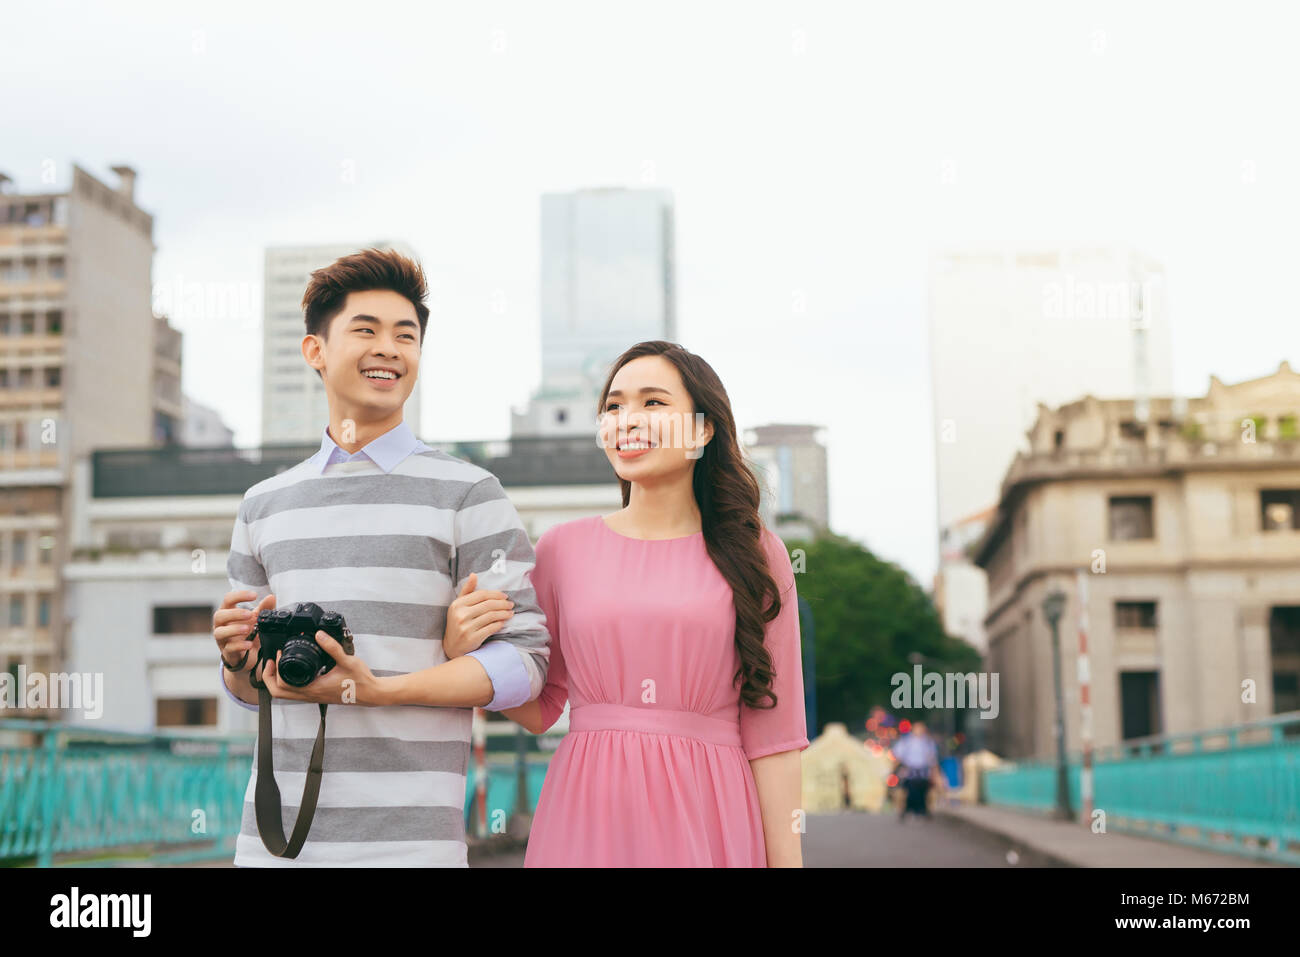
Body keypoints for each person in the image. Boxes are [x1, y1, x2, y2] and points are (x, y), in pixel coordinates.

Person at [212, 247, 550, 867]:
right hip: (272, 841)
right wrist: (235, 657)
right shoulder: (262, 505)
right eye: (365, 330)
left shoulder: (469, 493)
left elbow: (527, 664)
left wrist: (378, 691)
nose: (389, 349)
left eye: (406, 335)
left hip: (413, 844)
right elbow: (248, 691)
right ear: (315, 350)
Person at [444, 340, 810, 866]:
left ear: (703, 430)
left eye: (653, 402)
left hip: (710, 813)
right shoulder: (560, 550)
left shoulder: (755, 554)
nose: (627, 419)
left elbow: (774, 733)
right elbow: (541, 705)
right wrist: (466, 654)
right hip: (585, 814)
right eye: (613, 407)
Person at [893, 721, 939, 820]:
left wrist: (935, 773)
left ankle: (921, 811)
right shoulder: (905, 742)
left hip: (923, 772)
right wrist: (896, 769)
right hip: (909, 771)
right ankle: (909, 811)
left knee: (923, 791)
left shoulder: (928, 742)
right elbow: (898, 756)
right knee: (910, 790)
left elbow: (932, 759)